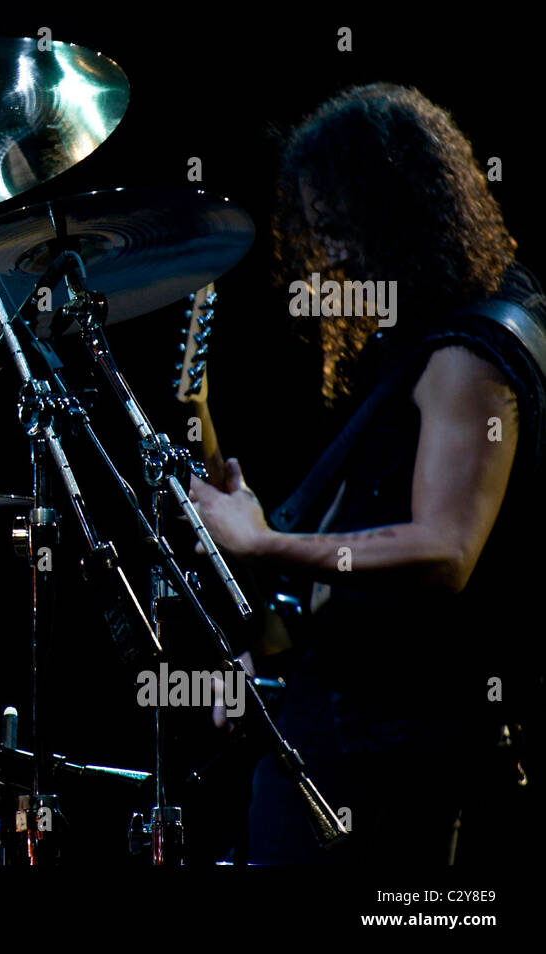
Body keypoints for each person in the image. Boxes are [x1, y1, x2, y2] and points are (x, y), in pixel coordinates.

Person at [185, 84, 545, 864]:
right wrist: (273, 654)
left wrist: (263, 544)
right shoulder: (417, 349)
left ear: (404, 206)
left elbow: (446, 551)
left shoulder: (470, 355)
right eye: (320, 231)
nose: (333, 253)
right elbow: (349, 573)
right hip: (351, 736)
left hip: (392, 758)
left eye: (344, 228)